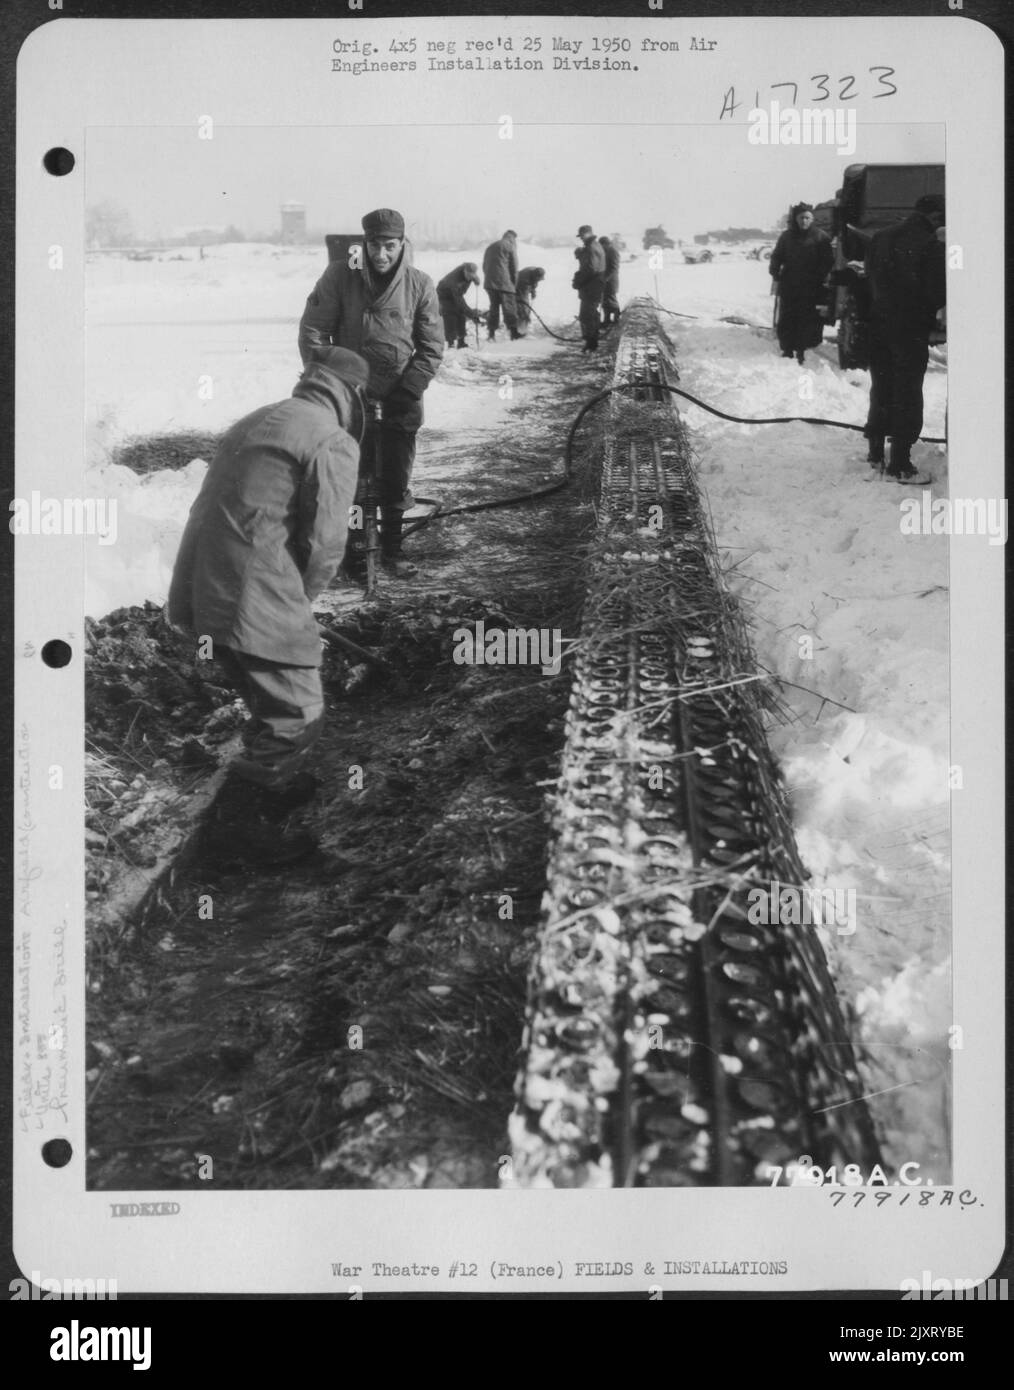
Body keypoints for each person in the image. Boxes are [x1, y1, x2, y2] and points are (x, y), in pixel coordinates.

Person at [167, 348, 369, 864]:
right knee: (301, 712)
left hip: (200, 585)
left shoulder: (256, 418)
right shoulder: (331, 439)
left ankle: (268, 782)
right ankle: (239, 832)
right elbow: (325, 544)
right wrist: (296, 606)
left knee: (265, 692)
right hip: (251, 589)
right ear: (353, 397)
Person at [298, 208, 443, 577]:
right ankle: (356, 551)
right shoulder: (339, 277)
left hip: (400, 400)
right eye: (375, 245)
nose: (381, 254)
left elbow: (431, 347)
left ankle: (393, 549)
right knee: (351, 479)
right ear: (365, 244)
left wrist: (408, 389)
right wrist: (332, 383)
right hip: (350, 401)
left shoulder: (420, 285)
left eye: (390, 246)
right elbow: (314, 331)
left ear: (402, 245)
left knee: (395, 478)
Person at [862, 193, 946, 483]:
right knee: (907, 391)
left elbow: (868, 278)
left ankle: (875, 454)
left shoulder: (881, 236)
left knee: (882, 384)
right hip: (909, 328)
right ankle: (900, 463)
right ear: (935, 217)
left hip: (878, 322)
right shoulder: (931, 244)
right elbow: (936, 292)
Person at [768, 203, 833, 364]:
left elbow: (828, 261)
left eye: (807, 218)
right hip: (790, 283)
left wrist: (820, 276)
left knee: (808, 318)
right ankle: (788, 349)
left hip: (812, 286)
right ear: (795, 219)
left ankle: (804, 349)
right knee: (788, 316)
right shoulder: (786, 237)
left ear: (812, 219)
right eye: (801, 218)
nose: (804, 221)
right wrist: (775, 272)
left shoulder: (821, 237)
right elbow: (777, 256)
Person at [573, 225, 606, 352]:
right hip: (596, 285)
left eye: (581, 235)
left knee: (587, 315)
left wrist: (579, 281)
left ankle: (591, 343)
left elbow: (590, 269)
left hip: (591, 286)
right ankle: (592, 341)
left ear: (587, 234)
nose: (581, 238)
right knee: (592, 314)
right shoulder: (596, 245)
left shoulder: (590, 248)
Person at [482, 230, 520, 340]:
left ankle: (491, 334)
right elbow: (514, 268)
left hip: (489, 283)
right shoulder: (510, 246)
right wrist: (513, 285)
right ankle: (513, 334)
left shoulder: (490, 247)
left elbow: (484, 266)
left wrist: (490, 280)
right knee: (509, 309)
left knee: (493, 309)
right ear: (512, 238)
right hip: (505, 284)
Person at [436, 262, 484, 348]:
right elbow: (460, 302)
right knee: (451, 316)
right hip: (444, 295)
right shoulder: (454, 281)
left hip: (456, 294)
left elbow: (473, 277)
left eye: (472, 276)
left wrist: (476, 280)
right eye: (468, 275)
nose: (469, 277)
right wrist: (472, 315)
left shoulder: (469, 272)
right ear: (464, 271)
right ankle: (450, 344)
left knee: (461, 316)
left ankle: (461, 342)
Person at [515, 266, 545, 336]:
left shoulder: (534, 273)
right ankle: (520, 329)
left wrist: (533, 291)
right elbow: (523, 296)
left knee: (525, 309)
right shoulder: (524, 280)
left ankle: (523, 326)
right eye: (538, 279)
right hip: (516, 287)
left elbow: (534, 282)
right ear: (535, 276)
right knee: (522, 309)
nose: (538, 281)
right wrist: (525, 310)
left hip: (523, 285)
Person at [599, 236, 621, 327]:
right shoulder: (606, 252)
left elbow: (614, 268)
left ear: (606, 244)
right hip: (606, 281)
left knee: (612, 301)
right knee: (605, 301)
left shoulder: (613, 252)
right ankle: (607, 321)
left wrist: (606, 278)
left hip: (611, 281)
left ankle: (616, 320)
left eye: (602, 245)